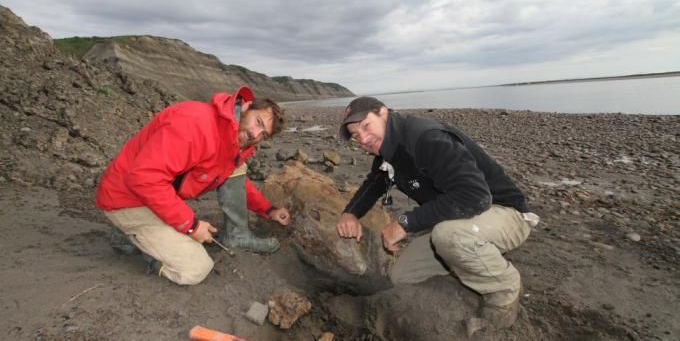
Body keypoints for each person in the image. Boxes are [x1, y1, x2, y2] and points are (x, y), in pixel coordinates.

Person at [335, 96, 539, 329]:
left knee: (448, 237)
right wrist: (349, 213)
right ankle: (472, 264)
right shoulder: (389, 152)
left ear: (383, 113)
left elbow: (475, 196)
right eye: (355, 135)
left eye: (365, 126)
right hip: (462, 217)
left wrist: (405, 223)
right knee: (402, 275)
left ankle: (505, 287)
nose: (363, 138)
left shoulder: (425, 138)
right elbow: (374, 184)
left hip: (504, 212)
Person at [96, 86, 290, 285]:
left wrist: (268, 211)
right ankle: (139, 244)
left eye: (264, 135)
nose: (255, 134)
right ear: (246, 107)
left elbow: (237, 181)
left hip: (152, 191)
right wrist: (191, 226)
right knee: (196, 269)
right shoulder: (195, 123)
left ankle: (237, 236)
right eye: (257, 122)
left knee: (236, 168)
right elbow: (143, 178)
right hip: (126, 198)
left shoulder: (231, 138)